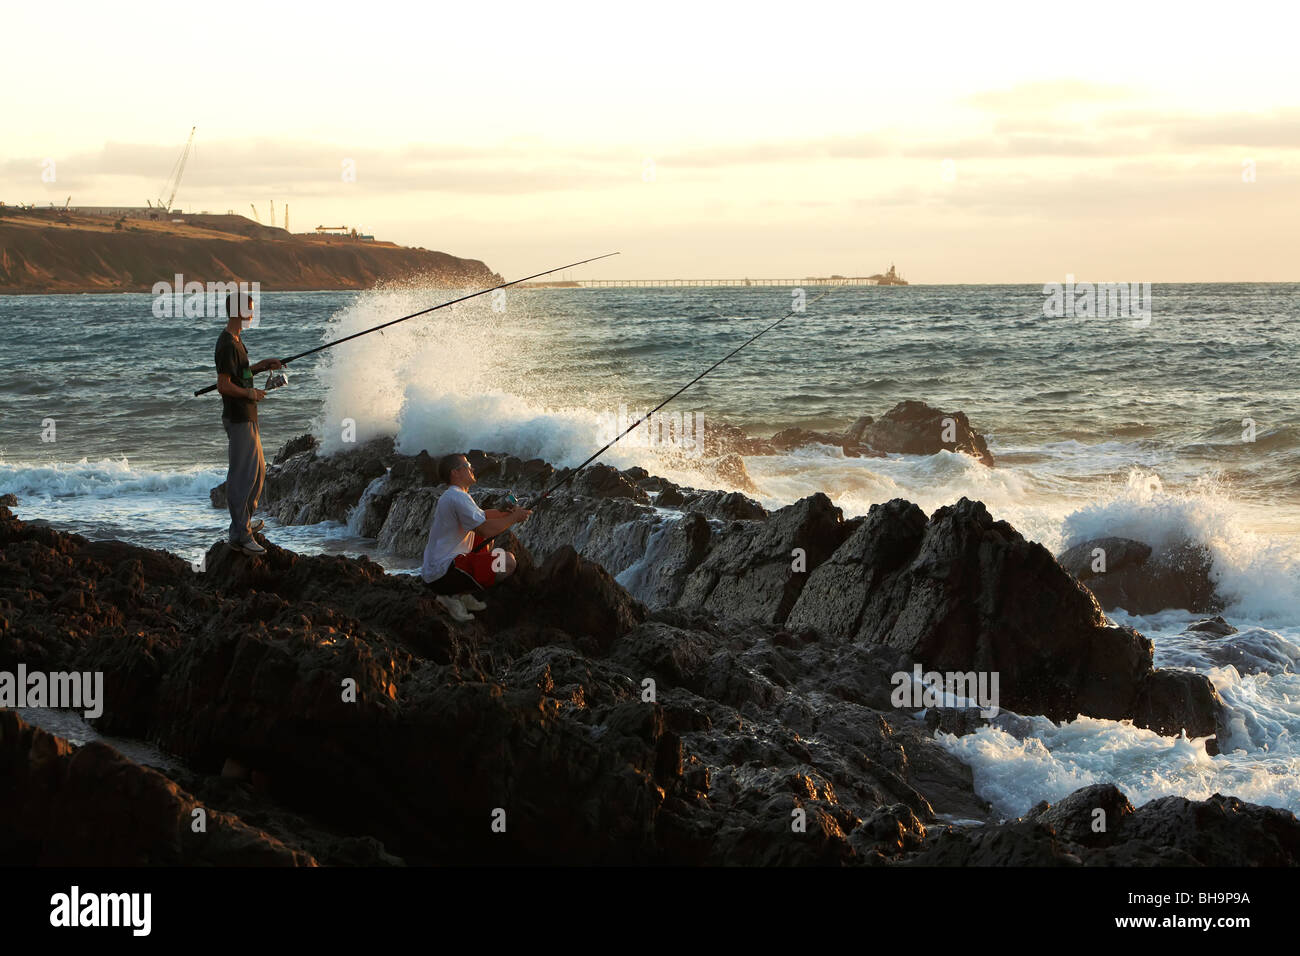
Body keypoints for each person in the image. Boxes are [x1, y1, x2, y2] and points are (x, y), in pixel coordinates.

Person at [422, 453, 531, 621]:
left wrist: (505, 513)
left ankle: (459, 592)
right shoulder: (458, 497)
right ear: (455, 472)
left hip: (437, 572)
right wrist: (514, 518)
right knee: (507, 561)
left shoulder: (453, 495)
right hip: (444, 574)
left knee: (482, 541)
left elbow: (483, 516)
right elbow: (485, 529)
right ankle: (451, 597)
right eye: (467, 466)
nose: (472, 468)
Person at [214, 292, 283, 555]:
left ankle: (243, 525)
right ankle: (240, 535)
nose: (253, 314)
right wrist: (250, 394)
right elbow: (224, 385)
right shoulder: (227, 344)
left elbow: (238, 374)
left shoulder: (237, 341)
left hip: (248, 415)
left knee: (259, 472)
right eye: (250, 310)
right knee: (243, 476)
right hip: (239, 415)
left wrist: (262, 366)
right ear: (238, 311)